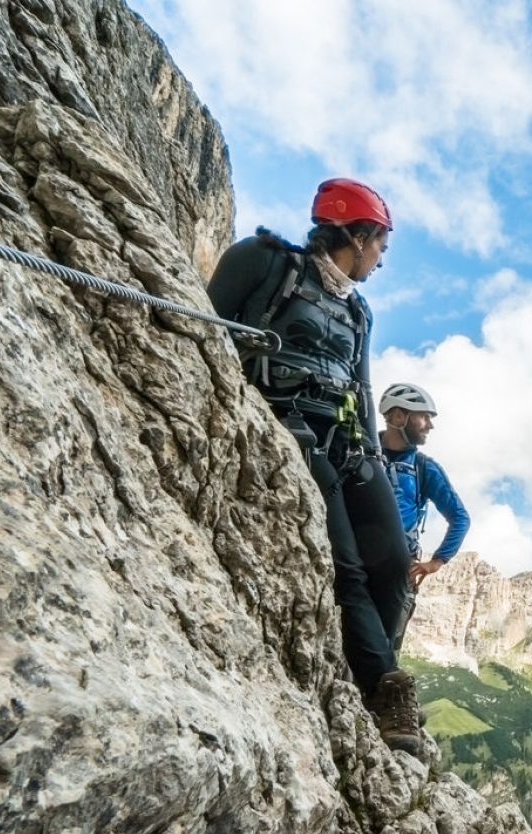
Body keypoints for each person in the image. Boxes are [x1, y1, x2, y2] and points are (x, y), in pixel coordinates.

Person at [205, 178, 419, 753]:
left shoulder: (359, 310)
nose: (380, 259)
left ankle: (379, 661)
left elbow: (363, 385)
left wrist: (371, 456)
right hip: (287, 426)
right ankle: (384, 687)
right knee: (344, 560)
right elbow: (207, 330)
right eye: (380, 246)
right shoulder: (265, 262)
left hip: (346, 437)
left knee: (394, 563)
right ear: (358, 233)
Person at [377, 382, 471, 645]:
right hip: (355, 563)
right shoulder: (360, 451)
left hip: (399, 569)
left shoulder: (423, 467)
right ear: (398, 416)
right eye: (424, 416)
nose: (430, 425)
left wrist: (437, 561)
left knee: (386, 648)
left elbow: (460, 517)